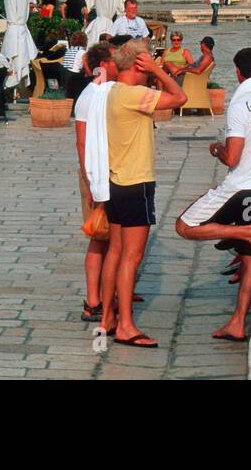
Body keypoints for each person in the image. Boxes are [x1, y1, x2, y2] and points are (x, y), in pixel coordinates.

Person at [175, 47, 251, 342]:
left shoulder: (241, 103)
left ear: (239, 71)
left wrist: (217, 148)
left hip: (241, 187)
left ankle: (245, 232)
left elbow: (232, 157)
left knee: (184, 226)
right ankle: (238, 321)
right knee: (248, 258)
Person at [98, 39, 187, 348]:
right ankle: (125, 325)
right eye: (147, 63)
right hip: (136, 183)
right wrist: (159, 72)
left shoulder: (111, 92)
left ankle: (107, 317)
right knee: (131, 258)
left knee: (116, 252)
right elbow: (180, 97)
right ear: (138, 64)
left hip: (116, 182)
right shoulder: (135, 95)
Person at [73, 42, 119, 323]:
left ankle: (104, 295)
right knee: (99, 235)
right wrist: (90, 181)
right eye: (114, 60)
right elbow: (81, 142)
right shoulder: (90, 96)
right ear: (103, 64)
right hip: (95, 173)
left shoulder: (103, 92)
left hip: (105, 171)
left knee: (107, 237)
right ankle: (93, 300)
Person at [61, 31, 90, 103]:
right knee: (90, 79)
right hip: (74, 77)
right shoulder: (82, 52)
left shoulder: (69, 50)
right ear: (85, 41)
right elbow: (87, 68)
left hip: (64, 74)